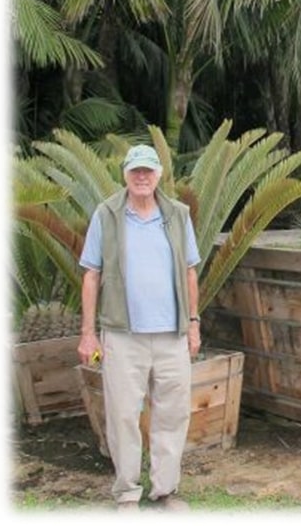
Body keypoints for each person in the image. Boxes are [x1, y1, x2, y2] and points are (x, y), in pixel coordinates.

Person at [77, 144, 202, 512]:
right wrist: (88, 332)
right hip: (121, 335)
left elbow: (190, 271)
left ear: (159, 175)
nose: (143, 177)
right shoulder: (107, 215)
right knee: (122, 416)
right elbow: (91, 274)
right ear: (125, 175)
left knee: (172, 413)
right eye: (136, 171)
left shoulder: (178, 215)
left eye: (149, 170)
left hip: (172, 334)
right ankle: (127, 493)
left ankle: (165, 490)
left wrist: (193, 324)